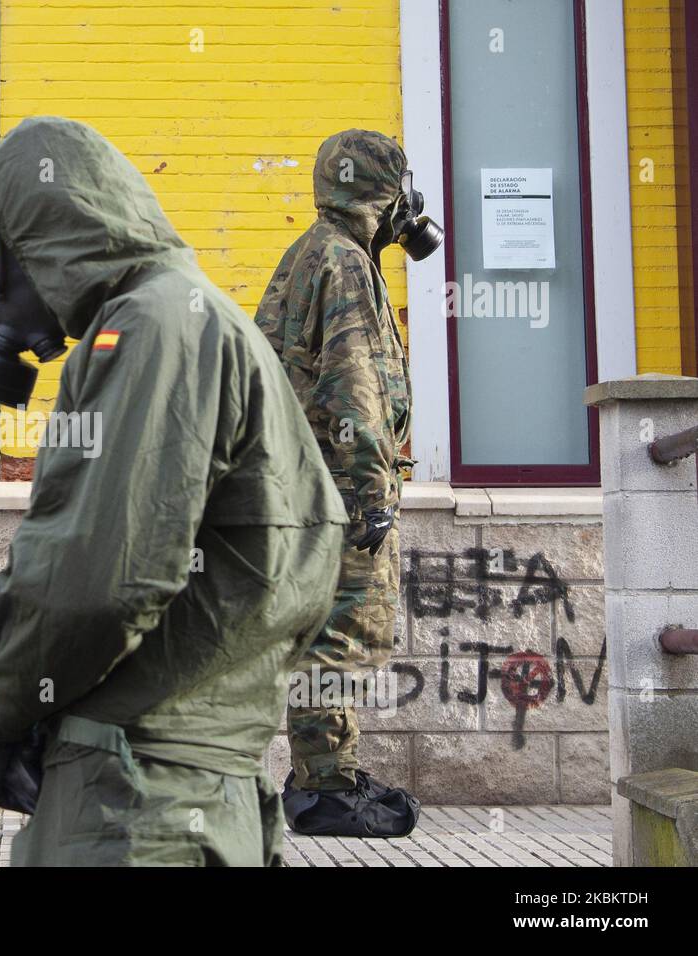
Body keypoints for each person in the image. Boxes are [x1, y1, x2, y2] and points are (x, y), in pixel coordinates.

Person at [0, 116, 347, 866]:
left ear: (40, 240)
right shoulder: (193, 318)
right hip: (189, 784)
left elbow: (100, 578)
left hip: (136, 798)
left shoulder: (151, 326)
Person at [254, 128, 443, 838]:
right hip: (338, 488)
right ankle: (325, 789)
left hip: (301, 483)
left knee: (320, 635)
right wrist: (370, 494)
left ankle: (322, 775)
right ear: (379, 194)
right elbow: (355, 384)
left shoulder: (312, 252)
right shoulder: (345, 263)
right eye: (401, 189)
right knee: (340, 636)